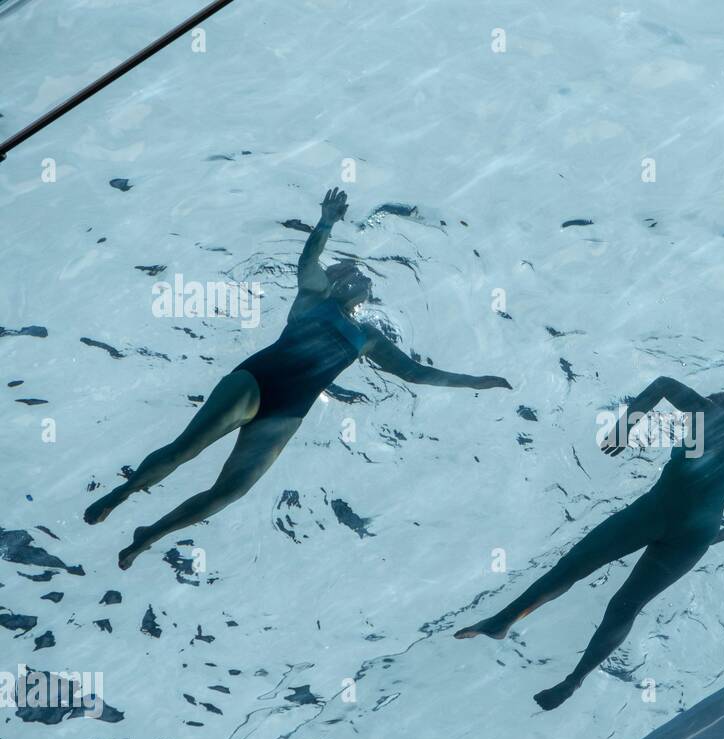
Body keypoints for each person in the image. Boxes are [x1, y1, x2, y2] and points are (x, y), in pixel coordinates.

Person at [86, 188, 511, 569]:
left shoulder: (367, 338)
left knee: (231, 491)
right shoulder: (315, 297)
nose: (363, 282)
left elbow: (415, 373)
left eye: (365, 282)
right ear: (340, 280)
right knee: (186, 449)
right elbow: (308, 261)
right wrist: (326, 221)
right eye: (356, 275)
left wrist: (473, 381)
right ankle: (120, 495)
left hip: (287, 414)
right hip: (255, 382)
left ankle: (150, 536)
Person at [455, 376, 724, 710]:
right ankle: (574, 680)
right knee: (626, 605)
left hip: (658, 510)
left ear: (722, 402)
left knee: (573, 566)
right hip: (694, 536)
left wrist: (625, 428)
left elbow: (664, 384)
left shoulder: (704, 413)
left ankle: (503, 621)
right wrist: (722, 534)